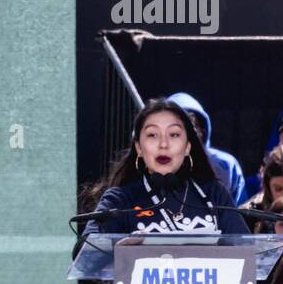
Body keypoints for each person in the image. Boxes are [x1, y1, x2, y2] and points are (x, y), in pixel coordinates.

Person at [81, 97, 250, 238]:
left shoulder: (214, 194)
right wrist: (120, 250)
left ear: (187, 147)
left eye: (174, 135)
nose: (163, 144)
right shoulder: (119, 200)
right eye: (152, 135)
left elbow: (248, 251)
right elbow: (87, 250)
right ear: (139, 148)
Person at [167, 92, 247, 205]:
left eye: (191, 133)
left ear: (202, 134)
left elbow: (240, 211)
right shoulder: (152, 167)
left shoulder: (225, 166)